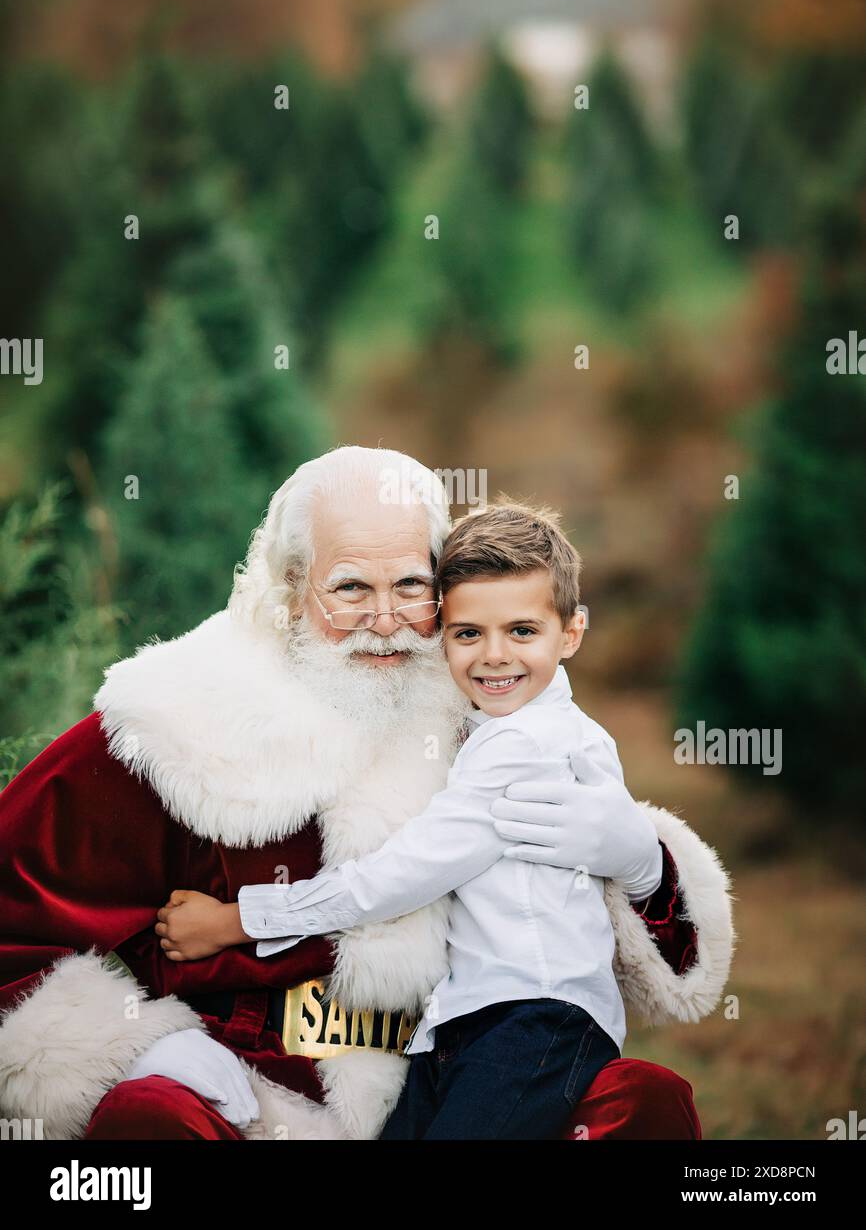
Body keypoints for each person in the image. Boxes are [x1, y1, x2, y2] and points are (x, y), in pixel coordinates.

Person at [0, 446, 733, 1140]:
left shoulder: (490, 710)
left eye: (410, 586)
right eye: (351, 587)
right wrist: (146, 1049)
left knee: (644, 1102)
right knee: (149, 1115)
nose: (385, 622)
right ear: (293, 589)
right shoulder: (182, 718)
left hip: (464, 1075)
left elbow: (615, 949)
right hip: (249, 1094)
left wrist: (644, 863)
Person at [154, 502, 670, 1140]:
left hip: (536, 1020)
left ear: (572, 632)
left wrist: (237, 920)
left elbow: (400, 877)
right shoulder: (516, 730)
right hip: (468, 1022)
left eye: (522, 631)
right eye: (467, 633)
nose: (494, 657)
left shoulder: (526, 746)